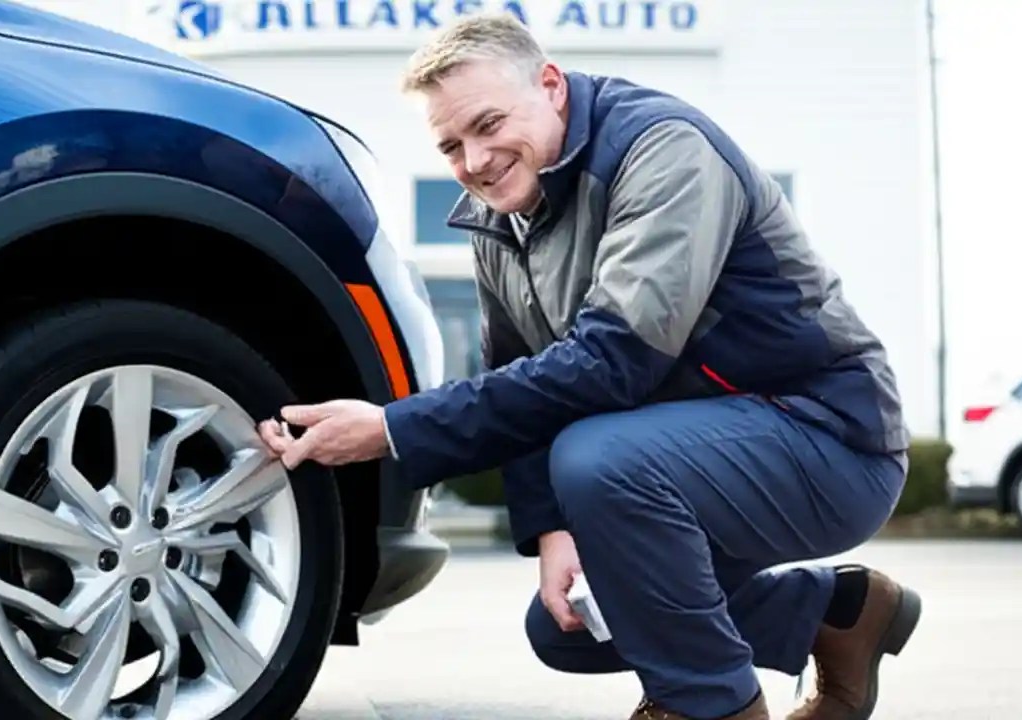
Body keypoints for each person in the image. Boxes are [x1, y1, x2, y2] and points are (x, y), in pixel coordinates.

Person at [258, 13, 922, 720]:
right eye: (451, 145)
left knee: (597, 458)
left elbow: (615, 361)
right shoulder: (496, 219)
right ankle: (836, 614)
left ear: (549, 85)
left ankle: (709, 707)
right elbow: (517, 372)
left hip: (827, 438)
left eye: (488, 124)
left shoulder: (663, 153)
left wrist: (391, 430)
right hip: (689, 453)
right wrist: (552, 529)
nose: (475, 160)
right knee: (569, 629)